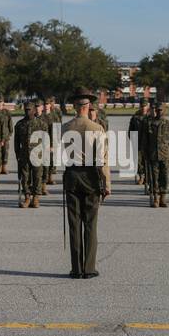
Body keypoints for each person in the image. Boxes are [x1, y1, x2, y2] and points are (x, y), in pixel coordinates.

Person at [62, 87, 110, 278]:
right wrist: (106, 184)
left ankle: (76, 268)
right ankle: (89, 268)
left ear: (75, 106)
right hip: (91, 176)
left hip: (72, 175)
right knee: (90, 223)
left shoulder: (65, 128)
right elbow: (102, 160)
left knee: (74, 224)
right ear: (88, 106)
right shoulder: (97, 129)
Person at [144, 102, 169, 207]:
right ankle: (156, 198)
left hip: (165, 155)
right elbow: (145, 141)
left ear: (164, 111)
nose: (159, 112)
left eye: (161, 110)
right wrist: (145, 154)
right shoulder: (149, 124)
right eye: (157, 110)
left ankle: (163, 198)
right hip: (153, 155)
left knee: (164, 177)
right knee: (154, 178)